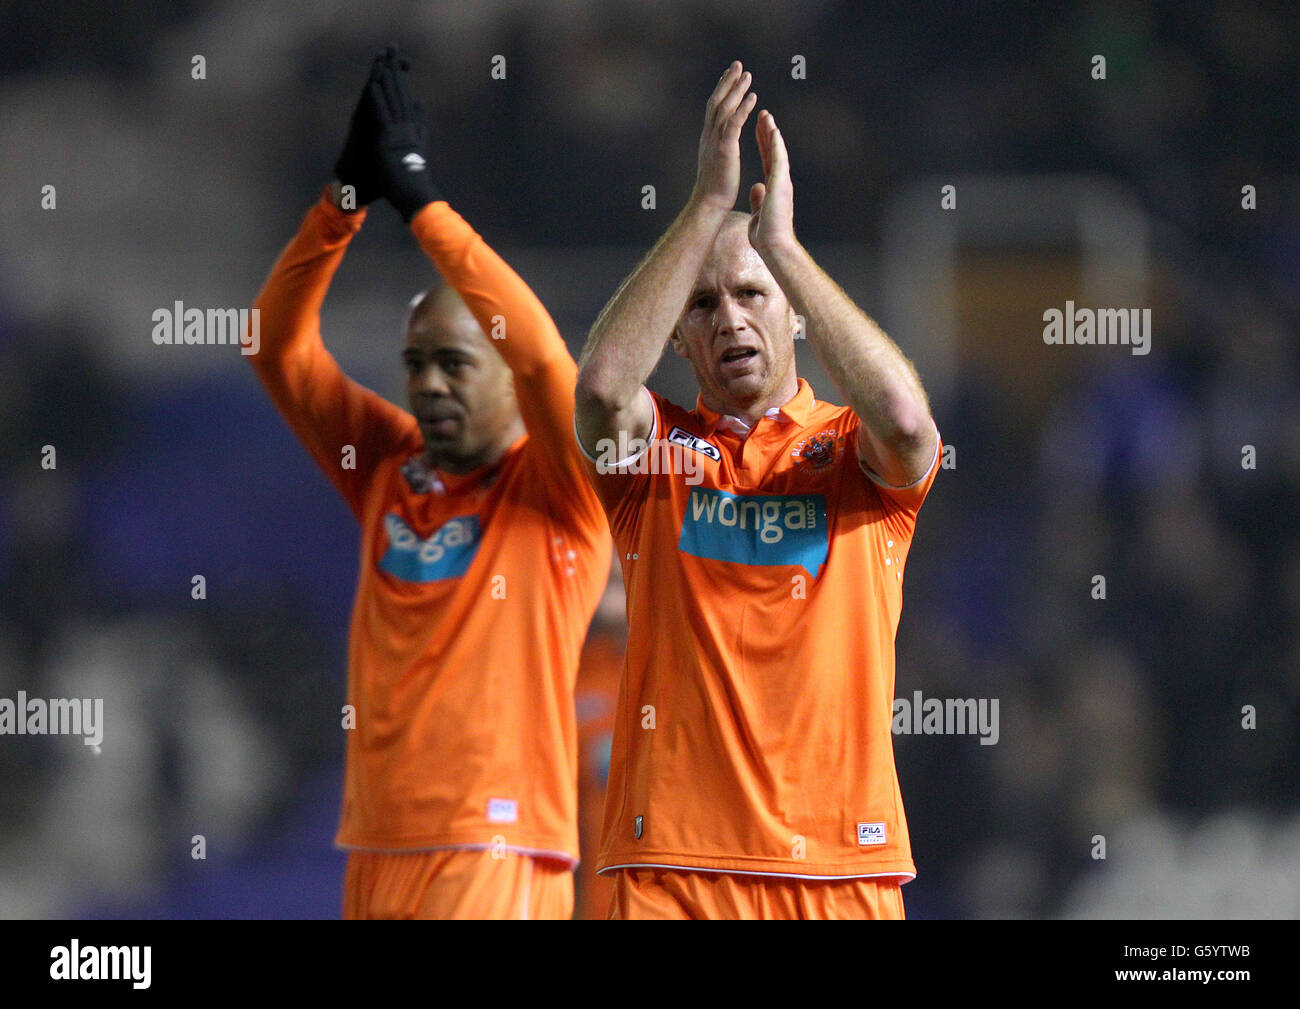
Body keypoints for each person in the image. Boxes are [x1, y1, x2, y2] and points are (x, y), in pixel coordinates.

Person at [247, 47, 610, 919]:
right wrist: (342, 202)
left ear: (508, 380)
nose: (427, 385)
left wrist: (424, 205)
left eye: (453, 363)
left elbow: (547, 354)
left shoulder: (560, 488)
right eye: (415, 365)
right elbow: (277, 347)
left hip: (497, 842)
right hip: (378, 841)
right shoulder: (385, 463)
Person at [574, 61, 942, 920]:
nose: (730, 319)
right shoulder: (654, 460)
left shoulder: (853, 457)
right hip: (674, 864)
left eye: (751, 296)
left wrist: (784, 248)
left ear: (793, 311)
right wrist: (706, 206)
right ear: (679, 339)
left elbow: (905, 416)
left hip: (841, 865)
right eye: (702, 306)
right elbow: (598, 391)